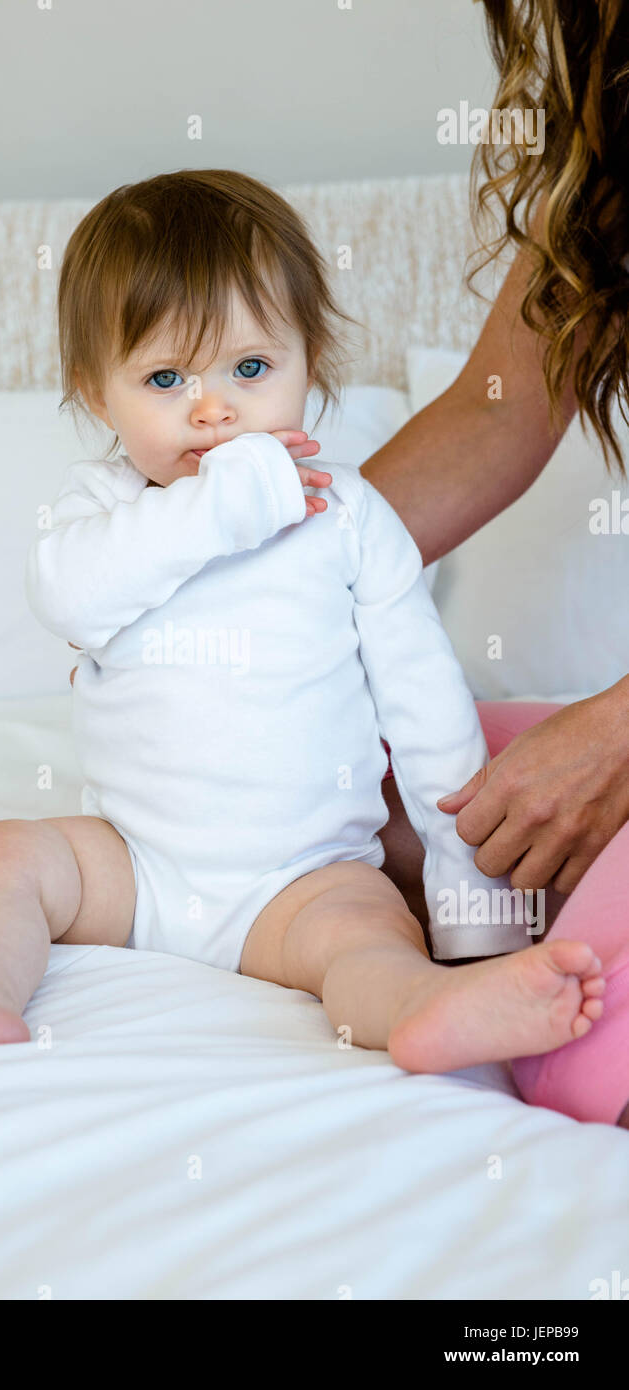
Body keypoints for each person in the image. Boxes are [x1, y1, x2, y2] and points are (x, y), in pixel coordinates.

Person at [0, 167, 605, 1074]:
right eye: (163, 377)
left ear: (313, 362)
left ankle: (429, 1008)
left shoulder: (348, 518)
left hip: (303, 877)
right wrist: (222, 509)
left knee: (368, 940)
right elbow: (68, 596)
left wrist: (476, 914)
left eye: (253, 368)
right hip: (136, 867)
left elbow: (429, 718)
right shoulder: (102, 513)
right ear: (93, 390)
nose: (212, 408)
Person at [362, 0, 629, 1124]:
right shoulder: (605, 146)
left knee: (578, 1051)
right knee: (359, 785)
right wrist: (242, 599)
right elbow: (496, 408)